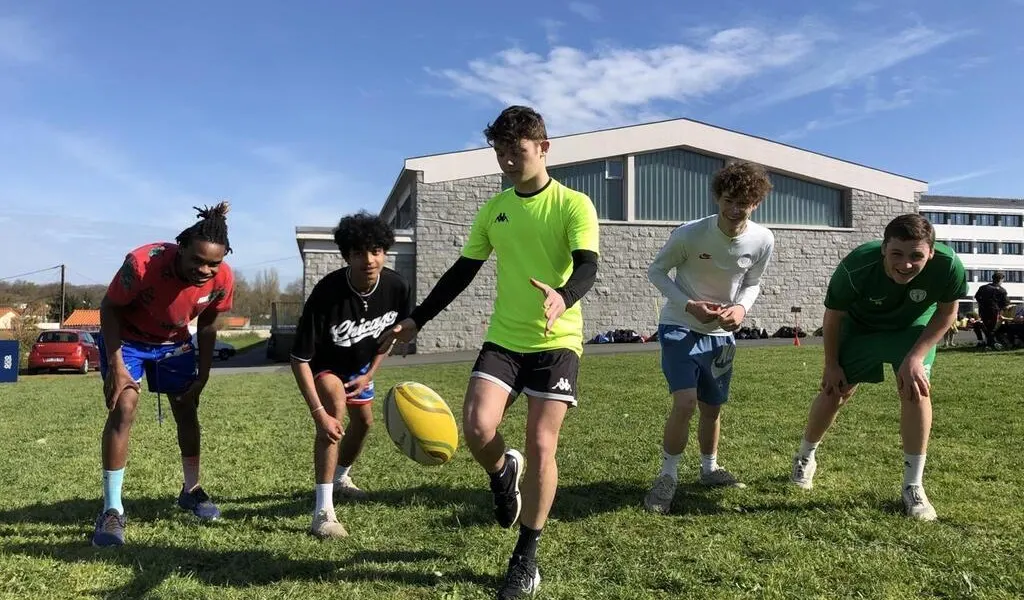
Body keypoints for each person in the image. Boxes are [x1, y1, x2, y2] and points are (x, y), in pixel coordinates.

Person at [378, 105, 600, 599]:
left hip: (556, 341)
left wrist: (562, 296)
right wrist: (418, 318)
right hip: (505, 337)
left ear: (543, 147)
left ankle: (526, 554)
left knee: (543, 444)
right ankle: (503, 471)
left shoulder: (573, 205)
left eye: (516, 152)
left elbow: (587, 266)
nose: (507, 162)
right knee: (478, 428)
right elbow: (462, 273)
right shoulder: (494, 210)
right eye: (499, 153)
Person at [789, 213, 968, 521]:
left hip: (913, 327)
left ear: (931, 253)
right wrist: (831, 365)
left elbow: (947, 313)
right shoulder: (856, 265)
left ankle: (913, 486)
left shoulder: (949, 266)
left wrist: (915, 357)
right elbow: (833, 318)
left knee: (916, 388)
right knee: (835, 391)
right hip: (861, 327)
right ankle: (805, 457)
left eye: (916, 256)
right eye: (897, 253)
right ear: (884, 248)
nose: (906, 264)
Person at [91, 202, 236, 547]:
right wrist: (117, 366)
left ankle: (191, 490)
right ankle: (112, 511)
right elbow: (109, 307)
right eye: (197, 260)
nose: (205, 269)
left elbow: (210, 323)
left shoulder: (224, 278)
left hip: (173, 343)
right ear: (181, 248)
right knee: (123, 409)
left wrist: (202, 374)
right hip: (127, 340)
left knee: (186, 408)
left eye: (213, 263)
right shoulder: (143, 263)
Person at [642, 161, 776, 515]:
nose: (735, 210)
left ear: (756, 203)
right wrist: (688, 305)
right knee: (685, 403)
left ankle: (709, 469)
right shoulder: (690, 234)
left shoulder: (763, 239)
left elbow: (753, 282)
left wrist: (742, 310)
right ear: (717, 197)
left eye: (743, 203)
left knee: (712, 408)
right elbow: (656, 271)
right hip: (679, 327)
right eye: (729, 200)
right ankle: (667, 477)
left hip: (722, 334)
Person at [290, 211, 411, 539]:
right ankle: (322, 513)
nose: (369, 260)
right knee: (335, 410)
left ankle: (342, 478)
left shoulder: (397, 287)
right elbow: (299, 358)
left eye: (375, 250)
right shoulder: (327, 293)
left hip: (360, 368)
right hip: (325, 365)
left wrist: (370, 373)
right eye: (358, 252)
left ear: (385, 251)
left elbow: (391, 337)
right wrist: (318, 414)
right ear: (346, 256)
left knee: (365, 423)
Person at [973, 272, 1009, 349]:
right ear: (1001, 279)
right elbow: (1005, 304)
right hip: (994, 311)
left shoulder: (983, 287)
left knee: (986, 327)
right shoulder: (1002, 290)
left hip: (983, 310)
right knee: (992, 328)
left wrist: (982, 304)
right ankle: (991, 344)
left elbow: (977, 297)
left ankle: (988, 343)